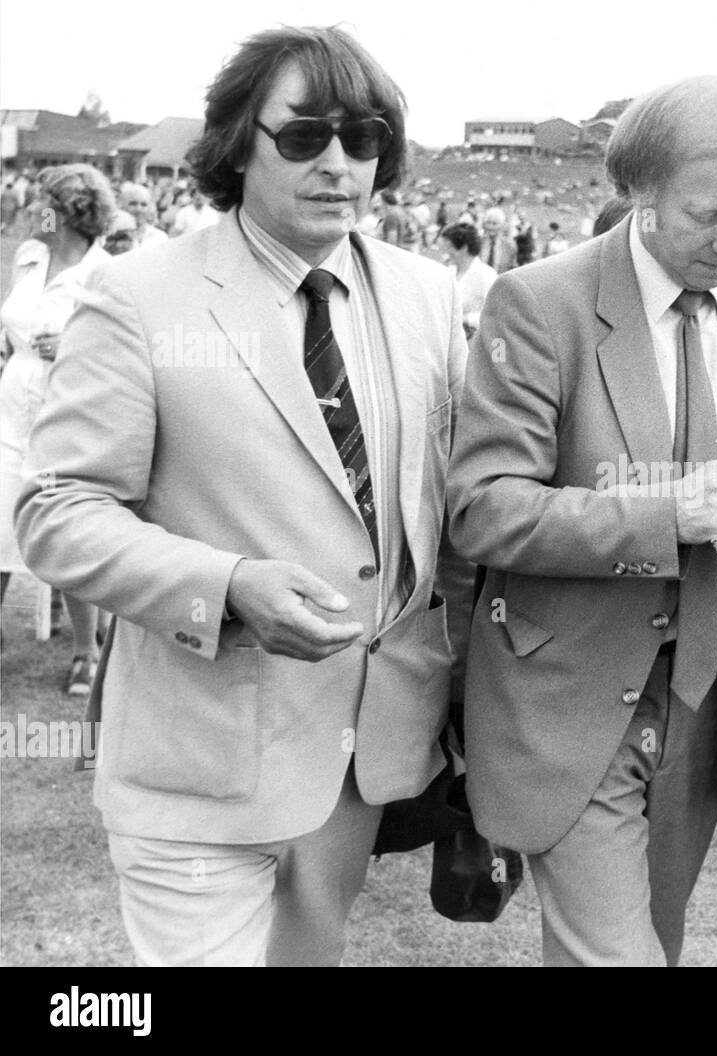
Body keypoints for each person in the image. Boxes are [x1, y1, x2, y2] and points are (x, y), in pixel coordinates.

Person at [15, 24, 468, 967]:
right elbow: (58, 513)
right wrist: (226, 587)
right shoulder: (139, 298)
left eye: (365, 136)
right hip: (198, 767)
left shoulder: (428, 295)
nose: (339, 163)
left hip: (358, 761)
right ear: (236, 142)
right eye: (303, 137)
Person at [447, 74, 717, 967]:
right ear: (640, 194)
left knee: (658, 941)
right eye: (709, 217)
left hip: (709, 691)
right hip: (571, 697)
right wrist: (667, 515)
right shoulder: (539, 304)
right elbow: (483, 509)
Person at [0, 164, 115, 696]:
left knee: (63, 527)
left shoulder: (104, 273)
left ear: (65, 213)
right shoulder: (29, 259)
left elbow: (125, 355)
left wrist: (73, 345)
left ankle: (85, 653)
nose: (28, 213)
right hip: (9, 409)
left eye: (39, 205)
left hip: (68, 410)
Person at [437, 221, 496, 340]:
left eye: (449, 247)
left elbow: (495, 315)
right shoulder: (448, 272)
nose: (445, 251)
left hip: (476, 343)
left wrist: (466, 319)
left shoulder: (486, 275)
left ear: (464, 248)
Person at [118, 182, 168, 248]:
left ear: (150, 208)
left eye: (144, 205)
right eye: (133, 204)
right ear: (122, 206)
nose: (138, 209)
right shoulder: (111, 238)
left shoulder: (160, 237)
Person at [479, 206, 516, 272]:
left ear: (502, 225)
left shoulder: (510, 246)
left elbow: (513, 269)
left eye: (494, 223)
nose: (490, 227)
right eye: (488, 222)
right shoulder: (477, 242)